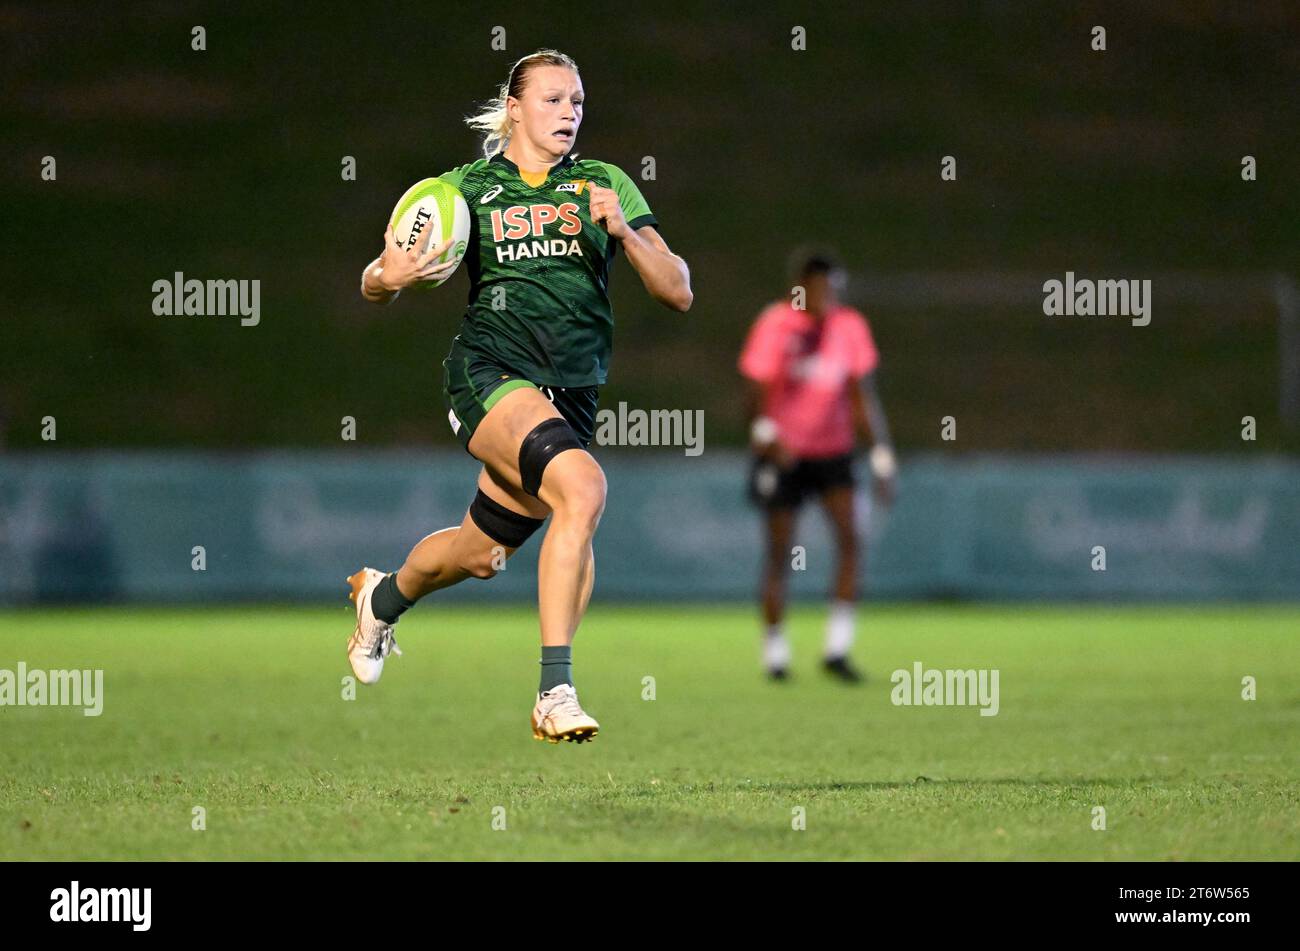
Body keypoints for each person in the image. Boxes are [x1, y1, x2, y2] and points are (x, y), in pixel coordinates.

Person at [349, 49, 693, 743]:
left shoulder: (604, 184)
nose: (569, 114)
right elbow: (374, 278)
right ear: (513, 108)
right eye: (553, 100)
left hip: (571, 397)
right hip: (488, 373)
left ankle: (379, 598)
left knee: (479, 553)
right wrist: (391, 274)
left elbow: (678, 289)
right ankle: (554, 691)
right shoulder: (467, 188)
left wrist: (624, 233)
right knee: (583, 489)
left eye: (578, 103)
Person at [738, 249, 894, 682]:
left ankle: (837, 649)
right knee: (779, 553)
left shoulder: (849, 326)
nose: (830, 297)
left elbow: (862, 395)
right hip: (783, 453)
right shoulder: (776, 323)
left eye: (836, 290)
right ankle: (775, 652)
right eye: (823, 288)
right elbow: (755, 393)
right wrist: (767, 437)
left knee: (852, 538)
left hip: (833, 451)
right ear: (800, 288)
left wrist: (881, 454)